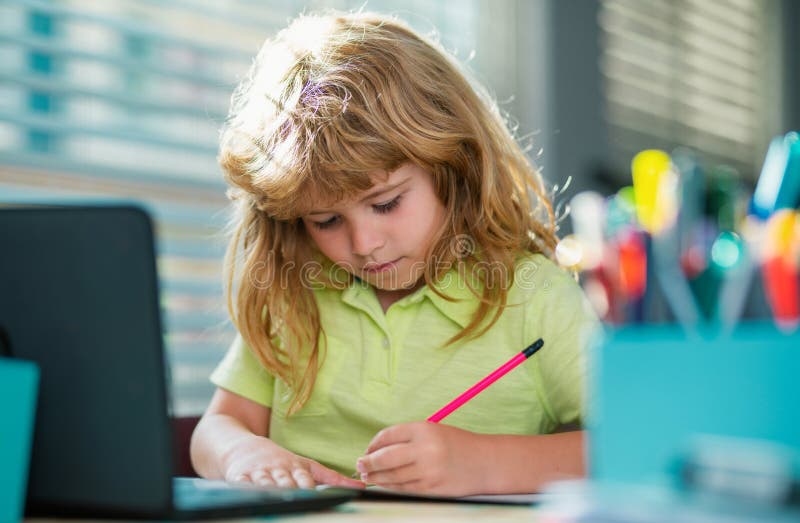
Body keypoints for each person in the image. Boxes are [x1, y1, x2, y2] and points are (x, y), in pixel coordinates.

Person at [190, 10, 598, 496]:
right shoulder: (297, 294)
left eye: (386, 203)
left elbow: (632, 448)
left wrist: (483, 464)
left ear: (453, 168)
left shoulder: (534, 298)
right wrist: (241, 452)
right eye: (326, 221)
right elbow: (216, 428)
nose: (364, 244)